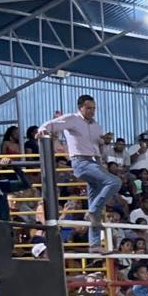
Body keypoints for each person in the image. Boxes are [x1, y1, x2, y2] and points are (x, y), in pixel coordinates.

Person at [37, 94, 119, 247]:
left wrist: (104, 140)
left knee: (96, 203)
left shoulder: (96, 125)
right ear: (80, 107)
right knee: (114, 182)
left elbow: (97, 143)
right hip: (81, 161)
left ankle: (94, 245)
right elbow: (51, 124)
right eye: (88, 108)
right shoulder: (72, 119)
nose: (92, 111)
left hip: (95, 162)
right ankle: (92, 212)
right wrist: (42, 130)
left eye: (93, 108)